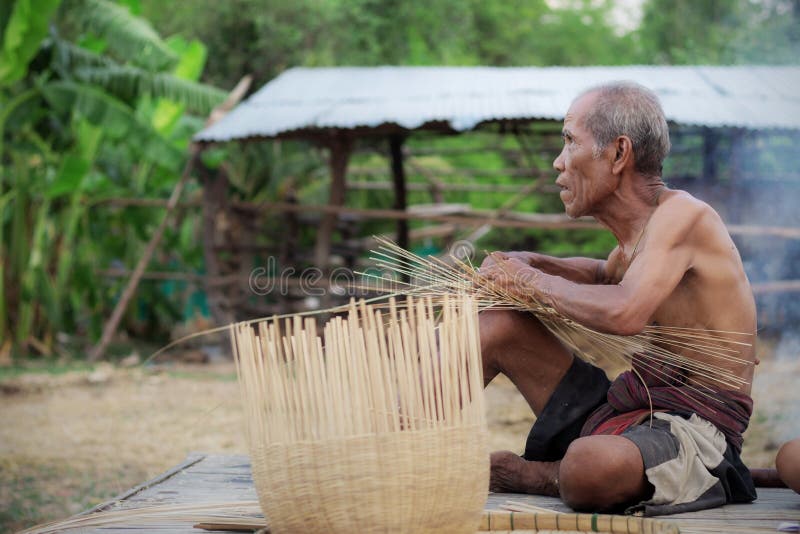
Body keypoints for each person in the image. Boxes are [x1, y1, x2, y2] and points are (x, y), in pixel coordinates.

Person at [478, 81, 758, 516]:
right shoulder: (635, 246)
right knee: (496, 323)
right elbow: (602, 275)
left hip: (694, 434)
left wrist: (527, 280)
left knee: (590, 464)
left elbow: (624, 309)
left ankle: (544, 475)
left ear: (618, 153)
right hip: (627, 413)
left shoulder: (684, 216)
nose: (558, 161)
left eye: (570, 141)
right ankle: (394, 447)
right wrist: (529, 261)